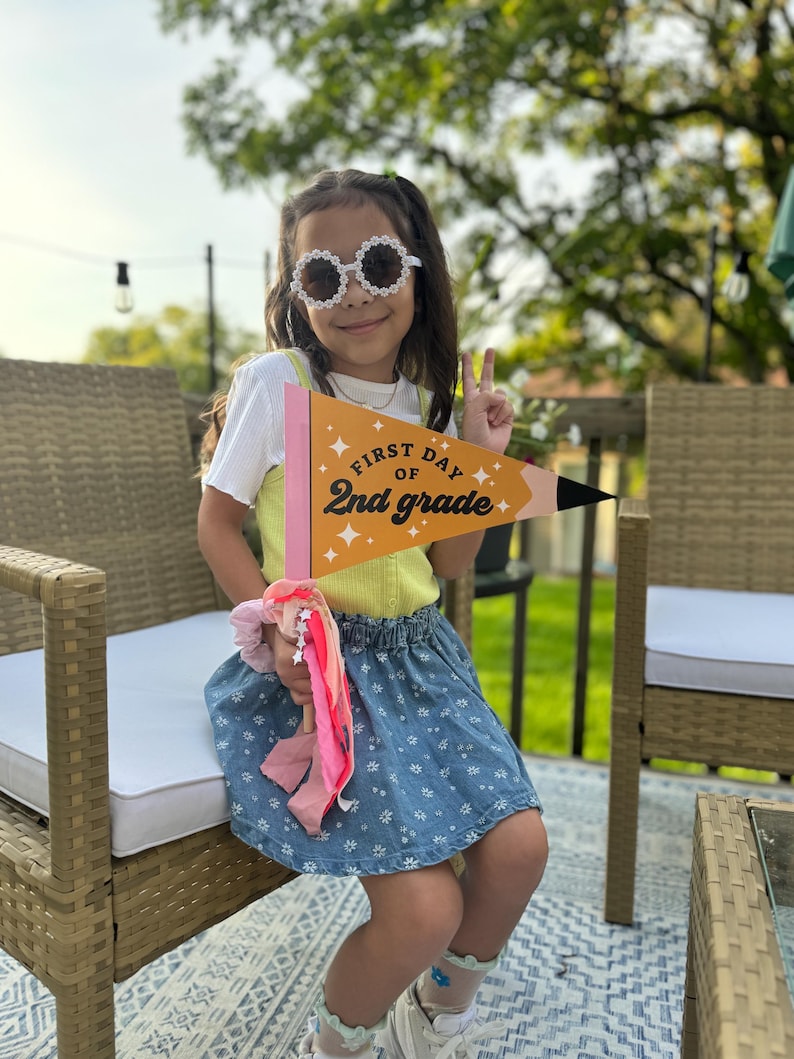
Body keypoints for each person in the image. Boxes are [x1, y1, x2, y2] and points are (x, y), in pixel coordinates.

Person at [198, 169, 548, 1059]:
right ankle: (339, 1043)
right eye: (323, 274)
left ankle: (438, 1009)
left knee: (519, 851)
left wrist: (477, 463)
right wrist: (272, 618)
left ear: (418, 273)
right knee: (425, 905)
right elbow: (218, 521)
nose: (354, 292)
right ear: (295, 294)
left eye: (379, 263)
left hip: (424, 660)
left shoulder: (434, 404)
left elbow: (449, 566)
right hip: (322, 672)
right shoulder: (276, 385)